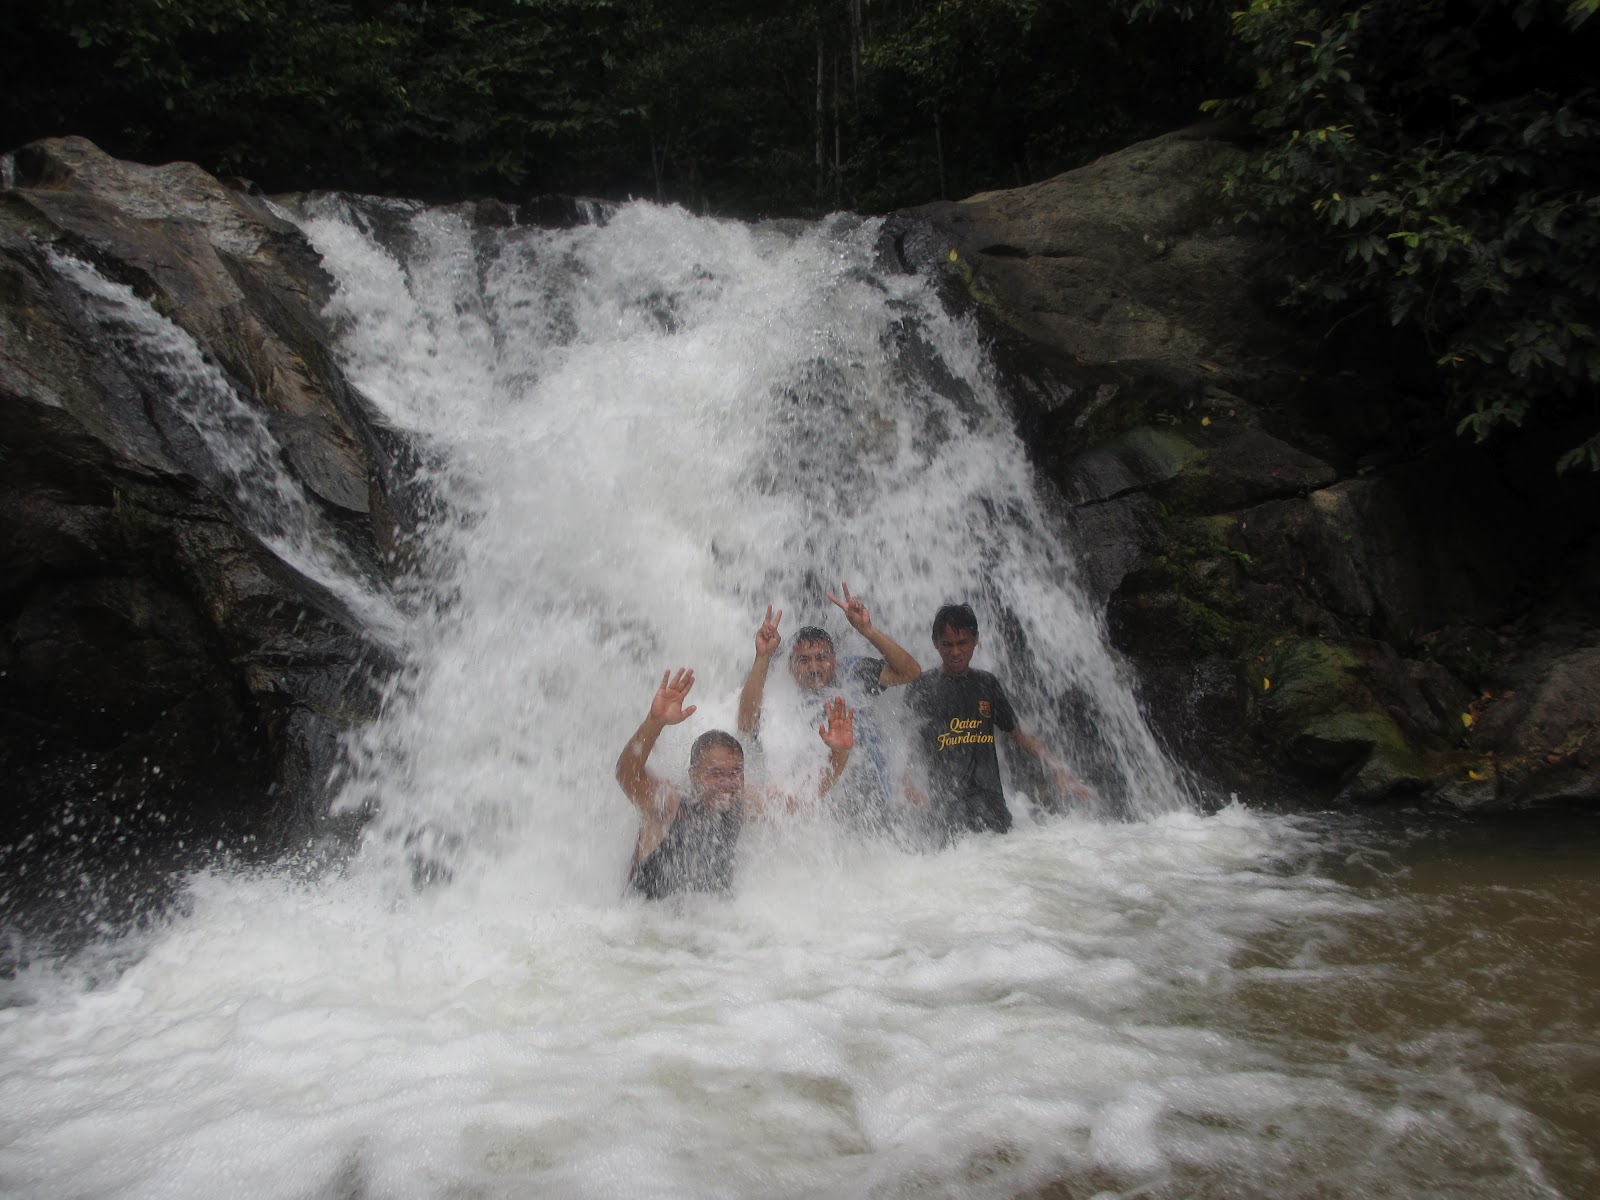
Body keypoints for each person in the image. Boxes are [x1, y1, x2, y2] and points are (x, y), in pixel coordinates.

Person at [616, 667, 854, 899]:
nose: (727, 783)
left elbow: (805, 799)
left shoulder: (743, 802)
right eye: (716, 774)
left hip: (717, 921)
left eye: (735, 773)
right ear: (693, 776)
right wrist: (654, 722)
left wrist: (839, 756)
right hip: (647, 918)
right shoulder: (670, 803)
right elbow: (626, 773)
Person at [736, 583, 920, 831]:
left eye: (822, 658)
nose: (814, 667)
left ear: (835, 659)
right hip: (822, 818)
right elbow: (746, 723)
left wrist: (867, 630)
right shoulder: (781, 695)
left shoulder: (854, 674)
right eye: (803, 660)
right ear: (790, 665)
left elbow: (910, 671)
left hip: (875, 804)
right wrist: (763, 657)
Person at [903, 603, 1088, 838]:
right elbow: (905, 741)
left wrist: (1057, 766)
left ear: (976, 640)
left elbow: (1018, 734)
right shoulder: (922, 687)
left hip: (991, 802)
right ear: (935, 643)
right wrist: (906, 783)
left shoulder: (986, 683)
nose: (956, 652)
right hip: (946, 806)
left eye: (963, 643)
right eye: (947, 644)